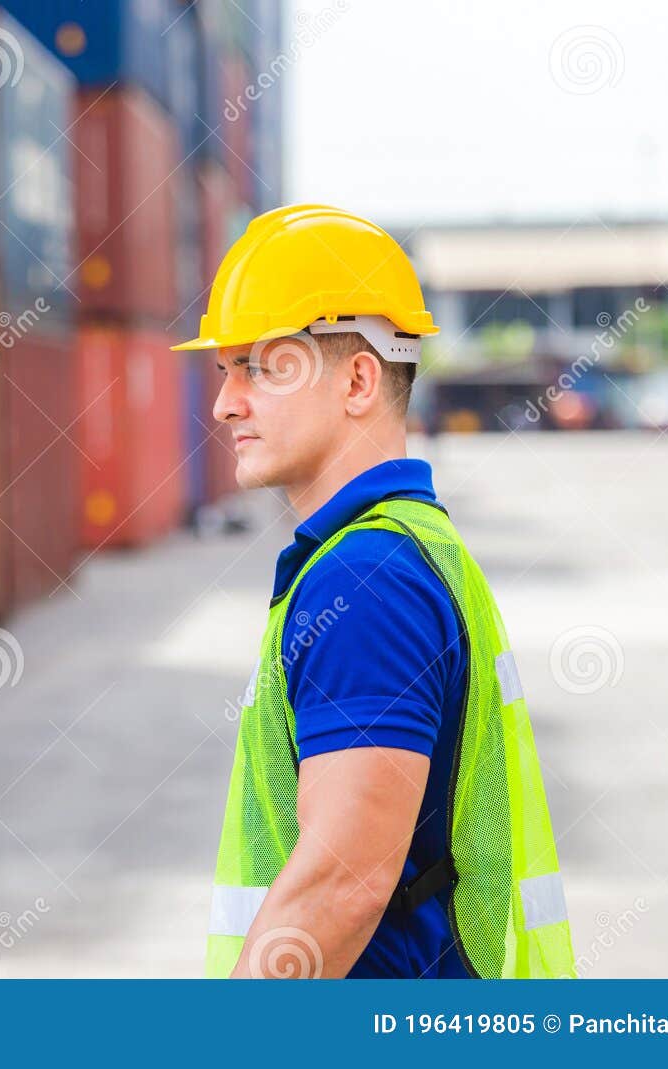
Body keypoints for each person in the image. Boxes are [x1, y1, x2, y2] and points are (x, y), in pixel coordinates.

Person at [172, 205, 575, 979]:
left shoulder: (366, 583)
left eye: (260, 366)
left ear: (358, 379)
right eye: (225, 370)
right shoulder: (404, 549)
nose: (225, 402)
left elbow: (340, 885)